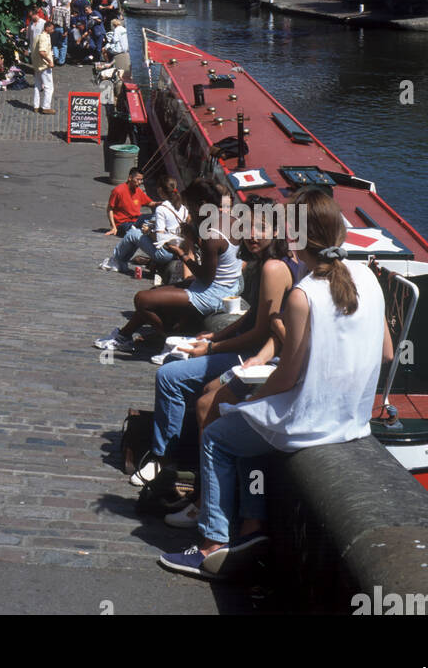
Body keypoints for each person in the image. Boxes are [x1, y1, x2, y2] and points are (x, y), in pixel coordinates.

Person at [158, 188, 391, 578]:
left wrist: (244, 405)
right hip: (352, 420)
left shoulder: (304, 294)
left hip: (308, 422)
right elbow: (385, 353)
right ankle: (251, 527)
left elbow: (287, 377)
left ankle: (212, 543)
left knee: (218, 434)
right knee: (246, 438)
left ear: (297, 238)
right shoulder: (368, 276)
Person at [127, 210, 300, 493]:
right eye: (248, 228)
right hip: (254, 351)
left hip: (259, 358)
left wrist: (211, 347)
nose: (253, 235)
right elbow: (253, 316)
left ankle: (164, 459)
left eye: (262, 228)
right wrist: (217, 334)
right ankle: (170, 453)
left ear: (277, 231)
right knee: (175, 367)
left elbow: (259, 333)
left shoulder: (273, 268)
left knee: (170, 377)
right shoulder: (265, 262)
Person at [95, 178, 240, 350]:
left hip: (214, 292)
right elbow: (219, 256)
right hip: (227, 284)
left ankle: (172, 339)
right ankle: (124, 335)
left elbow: (206, 276)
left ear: (203, 204)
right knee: (154, 293)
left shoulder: (212, 235)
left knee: (142, 299)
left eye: (191, 206)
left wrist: (181, 254)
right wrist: (193, 240)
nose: (191, 211)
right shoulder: (230, 221)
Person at [100, 176, 188, 275]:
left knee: (133, 234)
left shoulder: (162, 209)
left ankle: (116, 261)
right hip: (178, 250)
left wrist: (147, 232)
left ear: (160, 190)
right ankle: (121, 261)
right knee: (138, 231)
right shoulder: (183, 208)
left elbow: (160, 238)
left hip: (165, 253)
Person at [103, 166, 153, 242]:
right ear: (130, 178)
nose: (140, 182)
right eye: (138, 179)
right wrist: (113, 227)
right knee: (135, 229)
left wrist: (162, 204)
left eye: (141, 180)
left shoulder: (138, 190)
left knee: (155, 217)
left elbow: (150, 203)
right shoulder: (118, 190)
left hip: (137, 220)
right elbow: (110, 209)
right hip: (123, 224)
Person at [31, 20, 55, 116]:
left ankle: (36, 106)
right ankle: (46, 107)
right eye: (52, 28)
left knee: (37, 85)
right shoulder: (44, 38)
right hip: (44, 65)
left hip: (37, 65)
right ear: (47, 28)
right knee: (49, 87)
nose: (53, 30)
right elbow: (42, 52)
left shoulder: (38, 36)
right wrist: (49, 61)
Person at [105, 14, 130, 79]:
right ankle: (111, 63)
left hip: (119, 49)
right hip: (126, 49)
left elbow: (115, 40)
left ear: (114, 25)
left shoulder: (116, 30)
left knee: (105, 49)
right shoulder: (124, 29)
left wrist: (110, 39)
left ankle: (108, 64)